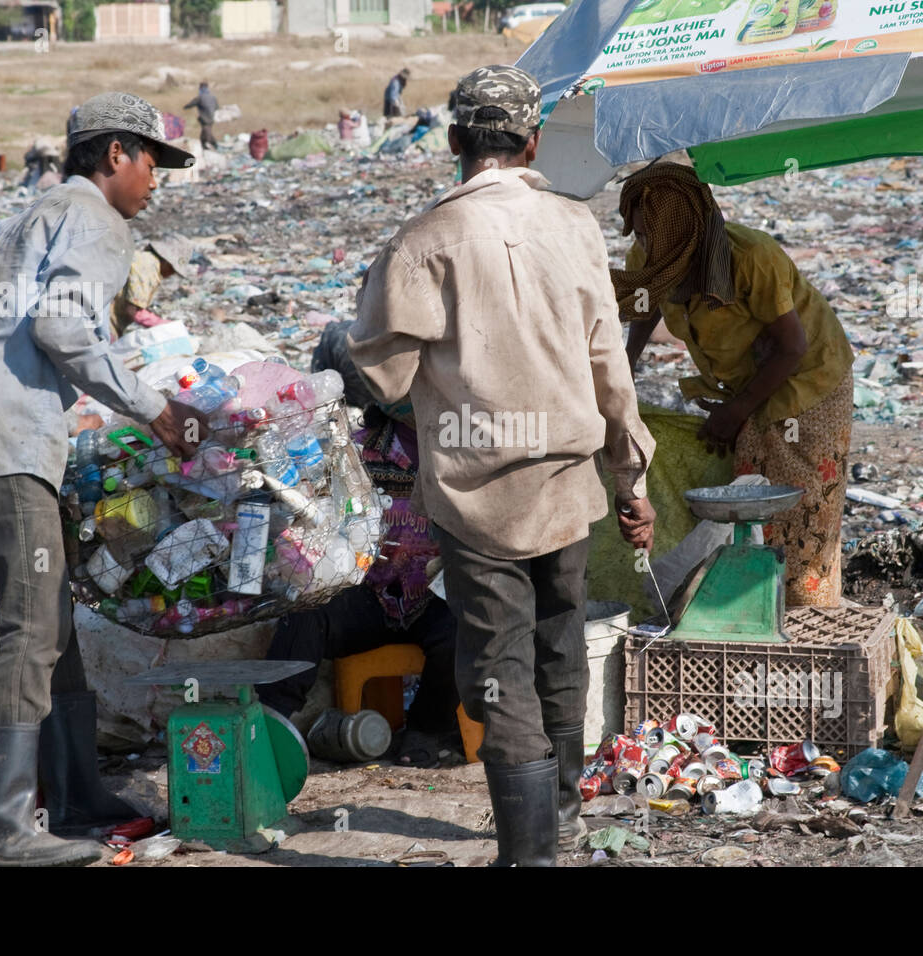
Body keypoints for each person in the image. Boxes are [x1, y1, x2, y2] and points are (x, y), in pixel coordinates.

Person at [349, 65, 656, 866]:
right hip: (567, 479)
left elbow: (381, 375)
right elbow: (609, 368)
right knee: (559, 644)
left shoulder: (424, 238)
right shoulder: (575, 226)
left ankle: (531, 853)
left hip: (478, 489)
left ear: (454, 143)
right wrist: (633, 477)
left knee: (497, 664)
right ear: (530, 142)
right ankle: (562, 817)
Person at [0, 92, 201, 868]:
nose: (154, 181)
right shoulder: (97, 220)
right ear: (115, 154)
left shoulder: (29, 216)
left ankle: (74, 794)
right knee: (32, 626)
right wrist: (155, 411)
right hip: (4, 440)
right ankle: (2, 831)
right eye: (151, 162)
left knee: (54, 621)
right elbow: (63, 327)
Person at [612, 162, 855, 607]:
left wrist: (736, 411)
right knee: (749, 498)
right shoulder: (655, 259)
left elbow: (790, 347)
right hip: (747, 381)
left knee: (799, 510)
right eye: (639, 235)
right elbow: (646, 305)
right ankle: (747, 611)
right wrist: (625, 365)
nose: (643, 246)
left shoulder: (750, 258)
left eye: (651, 235)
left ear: (684, 232)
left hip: (810, 379)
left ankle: (803, 618)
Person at [260, 326, 460, 766]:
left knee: (464, 629)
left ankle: (427, 727)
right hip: (370, 594)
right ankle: (269, 724)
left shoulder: (459, 447)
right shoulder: (355, 448)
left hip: (434, 598)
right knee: (306, 612)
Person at [108, 234, 196, 338]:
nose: (172, 274)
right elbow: (132, 310)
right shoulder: (148, 267)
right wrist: (165, 325)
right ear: (167, 262)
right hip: (103, 319)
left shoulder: (142, 259)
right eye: (173, 270)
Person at [183, 82, 218, 150]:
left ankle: (215, 144)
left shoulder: (200, 97)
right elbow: (217, 107)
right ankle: (203, 145)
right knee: (204, 132)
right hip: (212, 117)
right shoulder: (213, 97)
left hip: (204, 118)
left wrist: (185, 107)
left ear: (200, 88)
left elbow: (191, 104)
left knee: (207, 133)